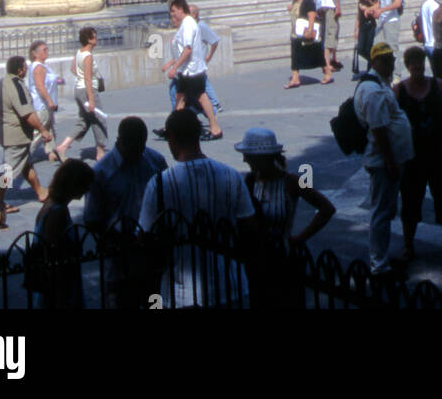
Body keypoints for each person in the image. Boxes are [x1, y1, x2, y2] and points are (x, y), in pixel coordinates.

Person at [138, 109, 257, 308]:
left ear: (173, 137)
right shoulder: (231, 175)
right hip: (231, 284)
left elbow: (143, 236)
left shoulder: (160, 183)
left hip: (183, 293)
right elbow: (250, 227)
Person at [235, 126, 336, 309]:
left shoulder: (291, 182)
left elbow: (326, 208)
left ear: (261, 158)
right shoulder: (249, 181)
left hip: (282, 258)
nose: (244, 159)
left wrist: (300, 238)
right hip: (256, 257)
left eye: (248, 155)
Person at [84, 116, 168, 308]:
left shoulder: (155, 161)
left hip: (150, 256)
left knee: (153, 302)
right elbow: (92, 218)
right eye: (134, 146)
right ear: (121, 141)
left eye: (141, 146)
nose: (138, 152)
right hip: (119, 259)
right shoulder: (102, 172)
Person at [395, 45, 442, 258]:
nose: (417, 67)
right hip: (412, 157)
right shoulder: (399, 90)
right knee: (410, 200)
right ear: (408, 66)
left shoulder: (439, 86)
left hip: (440, 153)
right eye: (413, 63)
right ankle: (408, 245)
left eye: (420, 62)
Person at [353, 41, 414, 277]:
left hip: (387, 159)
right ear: (375, 61)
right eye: (387, 60)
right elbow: (378, 129)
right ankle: (379, 265)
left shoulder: (378, 84)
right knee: (381, 213)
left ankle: (383, 258)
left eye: (392, 59)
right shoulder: (372, 90)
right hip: (383, 161)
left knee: (385, 212)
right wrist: (390, 161)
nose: (391, 64)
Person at [28, 159, 95, 309]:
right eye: (85, 184)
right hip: (59, 287)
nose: (87, 189)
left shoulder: (52, 205)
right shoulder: (57, 213)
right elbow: (54, 254)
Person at [0, 54, 52, 225]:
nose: (27, 69)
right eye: (25, 67)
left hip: (4, 133)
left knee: (26, 164)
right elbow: (27, 113)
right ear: (20, 70)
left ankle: (40, 192)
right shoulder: (17, 86)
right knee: (7, 170)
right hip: (15, 136)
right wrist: (43, 130)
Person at [162, 0, 223, 139]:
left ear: (181, 10)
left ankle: (215, 128)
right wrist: (174, 65)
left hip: (193, 70)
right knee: (180, 98)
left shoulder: (189, 24)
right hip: (186, 70)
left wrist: (174, 68)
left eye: (173, 11)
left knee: (201, 97)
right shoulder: (185, 24)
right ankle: (172, 128)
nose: (172, 15)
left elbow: (187, 49)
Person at [57, 26, 108, 161]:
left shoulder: (79, 52)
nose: (96, 38)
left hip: (78, 90)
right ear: (89, 40)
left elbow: (73, 68)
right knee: (99, 119)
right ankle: (100, 151)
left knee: (84, 121)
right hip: (87, 90)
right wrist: (91, 99)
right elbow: (87, 78)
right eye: (94, 36)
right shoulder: (88, 56)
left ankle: (63, 146)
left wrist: (80, 76)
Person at [286, 0, 326, 87]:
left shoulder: (308, 0)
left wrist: (310, 29)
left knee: (317, 55)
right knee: (295, 55)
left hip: (305, 32)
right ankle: (295, 79)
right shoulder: (295, 1)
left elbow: (311, 15)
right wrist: (291, 8)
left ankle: (327, 72)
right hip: (296, 34)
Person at [27, 40, 62, 165]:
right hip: (41, 105)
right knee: (39, 130)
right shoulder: (39, 67)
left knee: (49, 127)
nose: (47, 52)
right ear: (35, 54)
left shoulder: (42, 66)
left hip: (46, 104)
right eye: (44, 50)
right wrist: (49, 100)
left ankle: (51, 151)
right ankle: (24, 155)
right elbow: (40, 86)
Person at [375, 0, 404, 82]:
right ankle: (383, 72)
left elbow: (397, 2)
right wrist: (370, 9)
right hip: (382, 21)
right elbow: (379, 3)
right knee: (379, 46)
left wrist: (382, 10)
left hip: (391, 21)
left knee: (393, 48)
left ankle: (397, 74)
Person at [353, 0, 379, 77]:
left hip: (370, 25)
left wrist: (368, 7)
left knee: (369, 48)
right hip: (363, 25)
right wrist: (356, 29)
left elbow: (376, 9)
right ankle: (374, 63)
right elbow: (358, 15)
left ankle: (370, 68)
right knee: (360, 49)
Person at [420, 0, 442, 72]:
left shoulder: (425, 4)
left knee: (436, 73)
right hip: (436, 46)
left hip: (428, 44)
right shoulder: (437, 6)